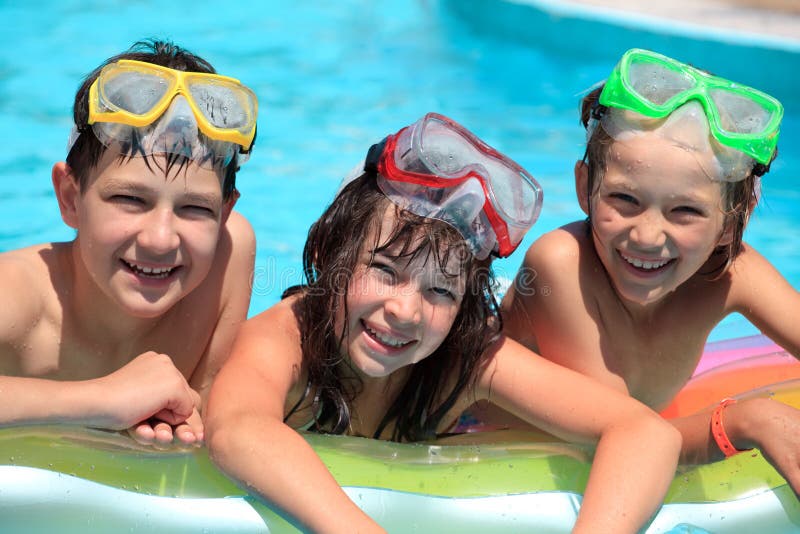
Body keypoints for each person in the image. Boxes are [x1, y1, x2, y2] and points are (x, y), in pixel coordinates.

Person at [206, 112, 680, 533]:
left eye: (441, 291)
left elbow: (646, 433)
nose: (407, 312)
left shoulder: (463, 357)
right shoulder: (288, 336)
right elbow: (238, 428)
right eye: (385, 271)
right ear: (333, 257)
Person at [500, 48, 800, 490]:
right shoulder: (560, 267)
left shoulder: (732, 274)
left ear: (732, 221)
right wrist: (746, 420)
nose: (647, 236)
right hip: (480, 445)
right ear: (585, 188)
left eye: (685, 212)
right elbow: (625, 441)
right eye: (625, 200)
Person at [0, 39, 258, 446]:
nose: (159, 239)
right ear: (70, 199)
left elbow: (207, 418)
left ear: (223, 215)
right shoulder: (17, 296)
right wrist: (100, 400)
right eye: (129, 199)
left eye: (195, 209)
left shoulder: (229, 254)